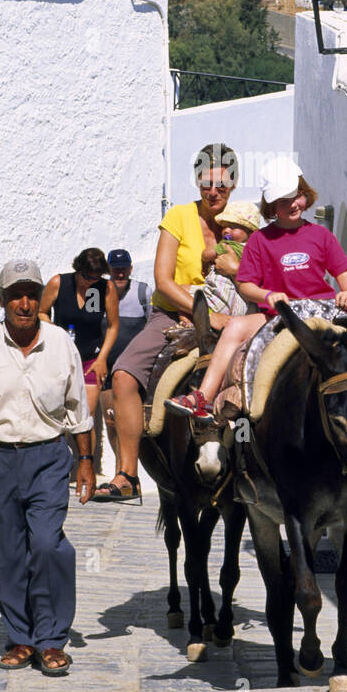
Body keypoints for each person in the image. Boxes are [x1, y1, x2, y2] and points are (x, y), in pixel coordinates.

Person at [167, 157, 347, 430]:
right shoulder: (259, 241)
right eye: (282, 200)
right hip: (281, 315)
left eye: (297, 195)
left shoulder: (321, 236)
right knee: (235, 328)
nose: (293, 204)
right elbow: (245, 285)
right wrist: (268, 296)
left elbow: (346, 277)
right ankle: (202, 397)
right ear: (271, 206)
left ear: (306, 194)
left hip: (325, 309)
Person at [0, 259, 95, 676]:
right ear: (2, 300)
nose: (25, 303)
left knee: (48, 545)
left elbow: (76, 408)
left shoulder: (61, 345)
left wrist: (85, 461)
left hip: (47, 457)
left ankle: (52, 640)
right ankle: (22, 638)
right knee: (8, 553)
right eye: (16, 295)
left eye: (31, 294)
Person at [104, 142, 239, 502]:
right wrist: (206, 317)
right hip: (173, 315)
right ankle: (127, 473)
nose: (214, 191)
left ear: (234, 184)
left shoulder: (242, 222)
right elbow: (163, 280)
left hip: (234, 318)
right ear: (197, 183)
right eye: (207, 184)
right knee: (123, 373)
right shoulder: (179, 217)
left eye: (222, 184)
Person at [39, 248, 119, 472]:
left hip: (90, 358)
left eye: (96, 278)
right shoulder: (60, 283)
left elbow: (113, 325)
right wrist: (55, 331)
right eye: (86, 277)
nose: (90, 282)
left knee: (87, 415)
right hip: (60, 357)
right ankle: (58, 466)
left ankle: (86, 467)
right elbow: (42, 312)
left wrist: (103, 357)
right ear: (78, 270)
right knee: (58, 411)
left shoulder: (103, 288)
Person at [96, 249, 151, 499]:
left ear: (130, 269)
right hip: (107, 368)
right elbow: (90, 321)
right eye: (115, 268)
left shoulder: (142, 292)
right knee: (110, 421)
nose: (119, 272)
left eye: (124, 268)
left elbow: (152, 325)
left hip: (133, 371)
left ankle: (130, 474)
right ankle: (121, 471)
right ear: (108, 269)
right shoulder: (96, 293)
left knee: (130, 422)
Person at [186, 199, 261, 317]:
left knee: (181, 291)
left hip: (219, 298)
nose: (226, 230)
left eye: (233, 227)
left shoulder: (228, 246)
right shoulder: (254, 251)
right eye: (225, 226)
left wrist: (209, 254)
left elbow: (206, 255)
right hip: (241, 306)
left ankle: (186, 319)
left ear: (249, 232)